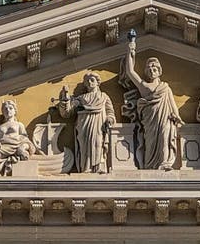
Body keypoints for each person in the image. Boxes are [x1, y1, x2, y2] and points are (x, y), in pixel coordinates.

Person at [123, 39, 181, 170]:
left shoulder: (165, 87)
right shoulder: (144, 86)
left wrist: (176, 116)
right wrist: (130, 51)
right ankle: (150, 165)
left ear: (159, 71)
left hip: (165, 118)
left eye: (154, 68)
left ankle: (165, 163)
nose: (152, 70)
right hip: (150, 121)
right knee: (150, 141)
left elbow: (172, 104)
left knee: (165, 137)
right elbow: (130, 72)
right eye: (149, 68)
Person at [58, 72, 116, 173]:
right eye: (87, 81)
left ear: (98, 83)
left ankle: (98, 168)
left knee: (98, 144)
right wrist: (65, 100)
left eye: (92, 80)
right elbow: (67, 113)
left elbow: (110, 112)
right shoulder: (81, 98)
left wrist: (109, 119)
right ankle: (86, 168)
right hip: (83, 126)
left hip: (99, 125)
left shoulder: (103, 97)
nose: (90, 82)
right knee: (84, 148)